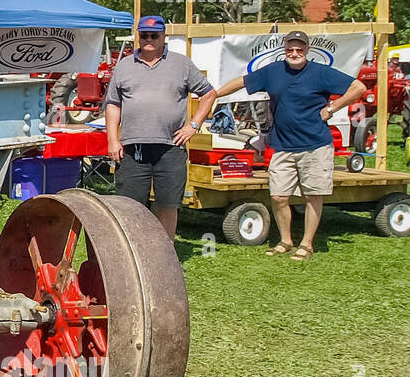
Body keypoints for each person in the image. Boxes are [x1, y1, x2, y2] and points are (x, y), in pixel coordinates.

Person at [213, 30, 364, 261]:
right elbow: (242, 82)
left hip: (316, 144)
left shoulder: (320, 72)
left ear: (307, 50)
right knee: (279, 196)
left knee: (313, 195)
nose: (295, 53)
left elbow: (358, 87)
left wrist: (332, 108)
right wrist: (212, 94)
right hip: (283, 145)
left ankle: (307, 244)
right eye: (290, 49)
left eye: (299, 49)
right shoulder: (273, 71)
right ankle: (285, 240)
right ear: (285, 50)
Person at [105, 15, 216, 239]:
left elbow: (209, 93)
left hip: (170, 147)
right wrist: (112, 139)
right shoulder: (125, 65)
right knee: (129, 206)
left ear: (163, 37)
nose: (149, 39)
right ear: (138, 37)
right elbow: (113, 104)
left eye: (154, 35)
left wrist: (193, 125)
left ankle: (166, 257)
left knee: (168, 204)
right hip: (132, 148)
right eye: (144, 35)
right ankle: (135, 255)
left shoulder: (181, 64)